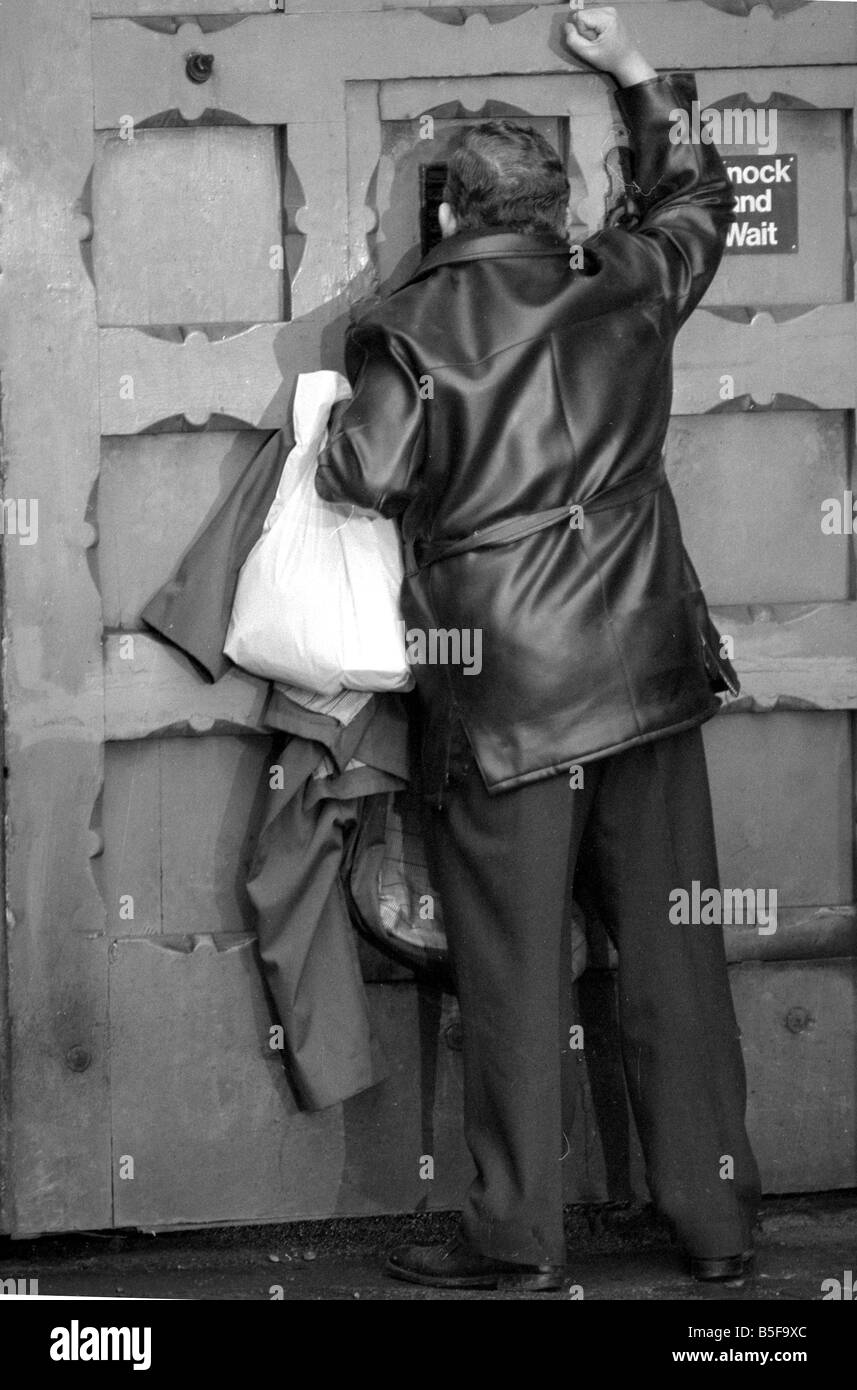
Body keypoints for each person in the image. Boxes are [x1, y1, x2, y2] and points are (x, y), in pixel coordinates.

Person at [314, 5, 760, 1291]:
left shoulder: (417, 327)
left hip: (510, 702)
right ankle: (716, 1228)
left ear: (448, 213)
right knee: (674, 959)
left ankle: (516, 1243)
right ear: (553, 203)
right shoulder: (624, 278)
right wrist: (630, 72)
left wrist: (358, 375)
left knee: (512, 977)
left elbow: (363, 471)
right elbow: (694, 195)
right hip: (649, 679)